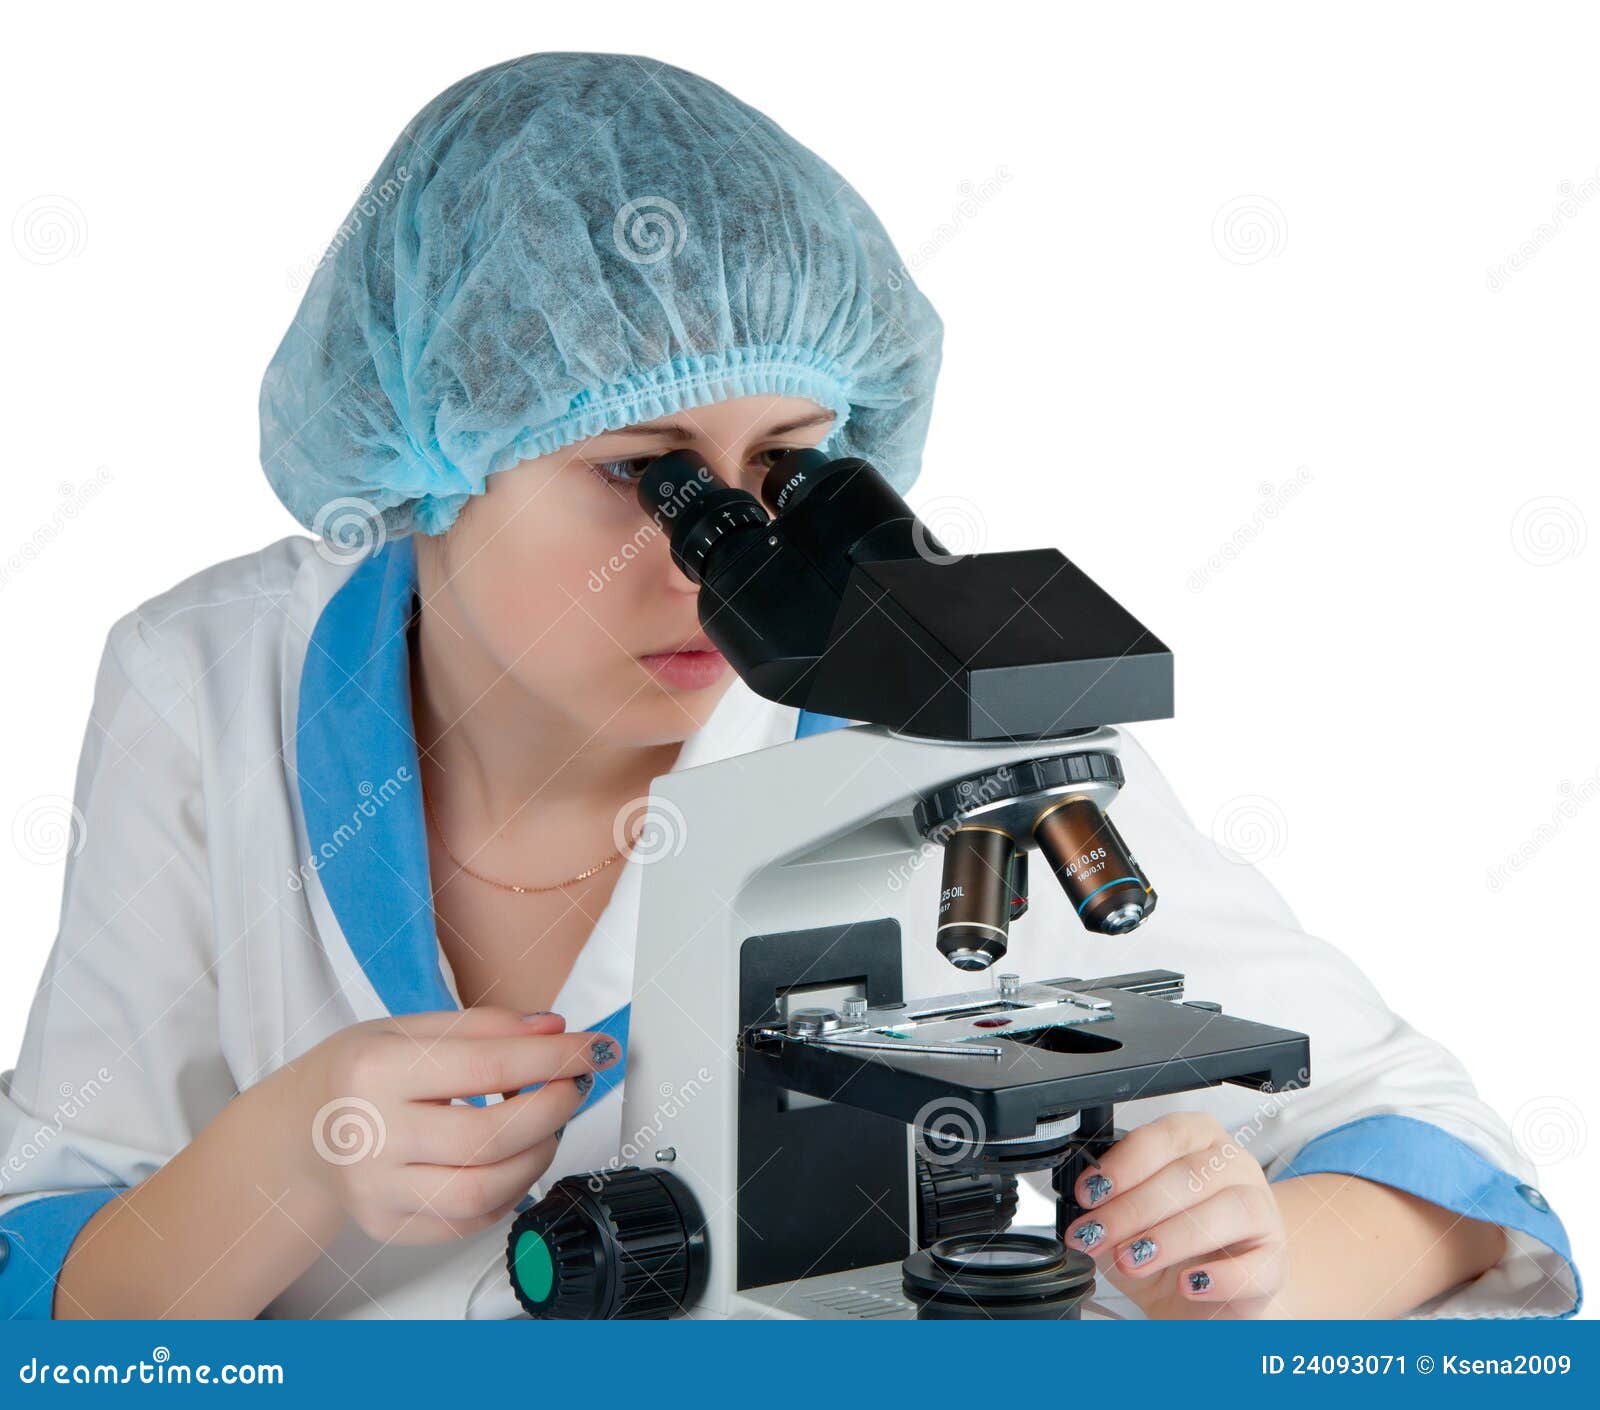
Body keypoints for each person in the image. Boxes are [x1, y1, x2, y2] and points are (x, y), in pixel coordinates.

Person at [0, 52, 1578, 1321]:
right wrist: (289, 1158)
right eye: (647, 477)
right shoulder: (201, 685)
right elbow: (49, 1288)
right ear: (437, 455)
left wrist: (1275, 1251)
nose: (724, 558)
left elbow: (1432, 1149)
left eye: (791, 470)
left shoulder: (914, 685)